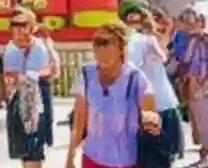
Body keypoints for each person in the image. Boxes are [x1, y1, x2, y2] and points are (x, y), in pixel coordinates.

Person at [66, 21, 159, 168]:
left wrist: (150, 118)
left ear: (121, 47)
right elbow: (79, 120)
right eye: (96, 43)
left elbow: (150, 115)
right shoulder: (86, 74)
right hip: (93, 157)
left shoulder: (135, 78)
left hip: (126, 160)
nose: (99, 48)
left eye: (105, 43)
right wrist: (70, 158)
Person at [123, 7, 181, 167]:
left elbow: (130, 68)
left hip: (150, 106)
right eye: (130, 22)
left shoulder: (138, 41)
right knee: (162, 157)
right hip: (162, 103)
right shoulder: (151, 41)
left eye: (135, 22)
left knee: (147, 158)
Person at [0, 9, 52, 168]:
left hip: (36, 99)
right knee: (23, 151)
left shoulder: (40, 47)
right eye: (14, 24)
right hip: (16, 100)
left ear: (32, 26)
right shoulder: (10, 47)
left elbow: (50, 70)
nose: (19, 29)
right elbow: (5, 72)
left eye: (23, 24)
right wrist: (1, 94)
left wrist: (30, 76)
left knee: (33, 150)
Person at [180, 9, 208, 168]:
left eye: (187, 21)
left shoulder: (197, 40)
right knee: (206, 122)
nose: (185, 25)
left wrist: (199, 84)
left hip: (202, 84)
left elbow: (196, 63)